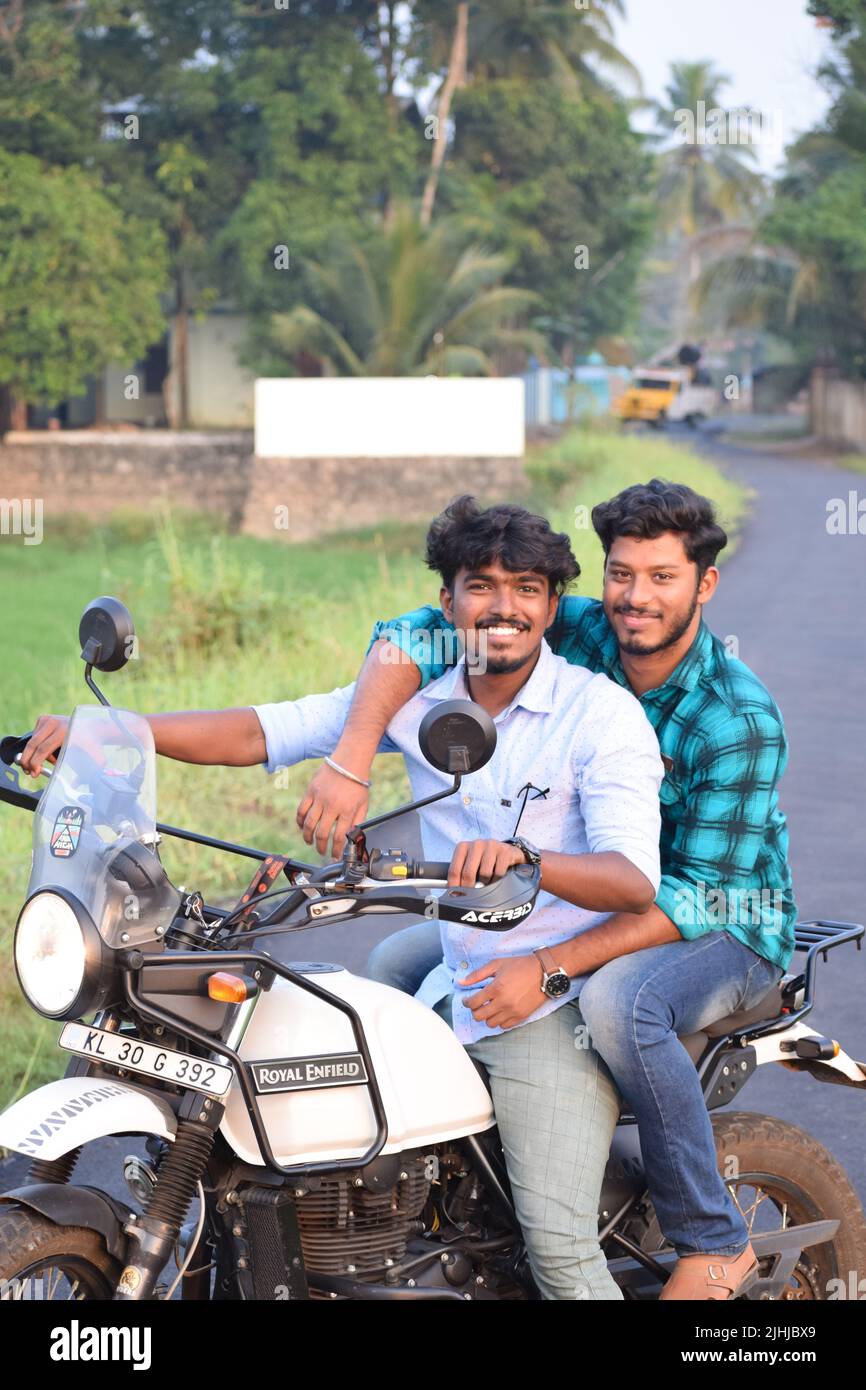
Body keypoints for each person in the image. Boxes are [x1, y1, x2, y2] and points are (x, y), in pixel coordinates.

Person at [20, 498, 664, 1302]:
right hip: (464, 963)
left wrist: (523, 855)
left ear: (552, 603)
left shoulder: (598, 715)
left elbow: (635, 877)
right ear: (448, 602)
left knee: (561, 1257)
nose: (504, 607)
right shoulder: (414, 699)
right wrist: (105, 733)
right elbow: (265, 732)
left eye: (528, 588)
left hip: (546, 996)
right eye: (482, 586)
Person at [292, 480, 796, 1301]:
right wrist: (350, 760)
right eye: (623, 573)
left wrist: (552, 965)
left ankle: (710, 1234)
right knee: (397, 955)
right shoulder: (587, 624)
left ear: (704, 585)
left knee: (617, 1005)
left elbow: (684, 895)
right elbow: (416, 632)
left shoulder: (736, 718)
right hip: (591, 892)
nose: (637, 596)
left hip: (723, 918)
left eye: (663, 577)